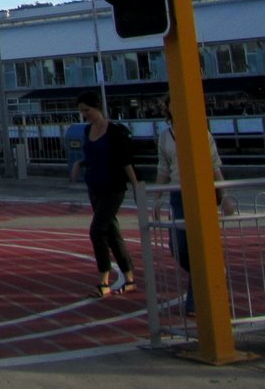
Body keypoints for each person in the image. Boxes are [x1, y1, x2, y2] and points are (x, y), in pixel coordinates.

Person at [153, 96, 223, 314]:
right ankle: (211, 272)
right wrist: (157, 198)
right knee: (179, 247)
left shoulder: (202, 132)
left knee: (197, 245)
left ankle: (196, 301)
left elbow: (214, 166)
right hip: (177, 194)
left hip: (201, 192)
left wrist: (225, 193)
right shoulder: (165, 136)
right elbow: (163, 169)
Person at [68, 90, 138, 297]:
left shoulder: (115, 131)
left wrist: (135, 185)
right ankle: (130, 277)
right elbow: (91, 156)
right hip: (95, 187)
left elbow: (125, 160)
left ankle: (104, 279)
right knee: (112, 232)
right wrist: (79, 164)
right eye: (81, 111)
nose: (84, 114)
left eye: (86, 110)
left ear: (96, 107)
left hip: (113, 187)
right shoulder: (88, 130)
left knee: (97, 230)